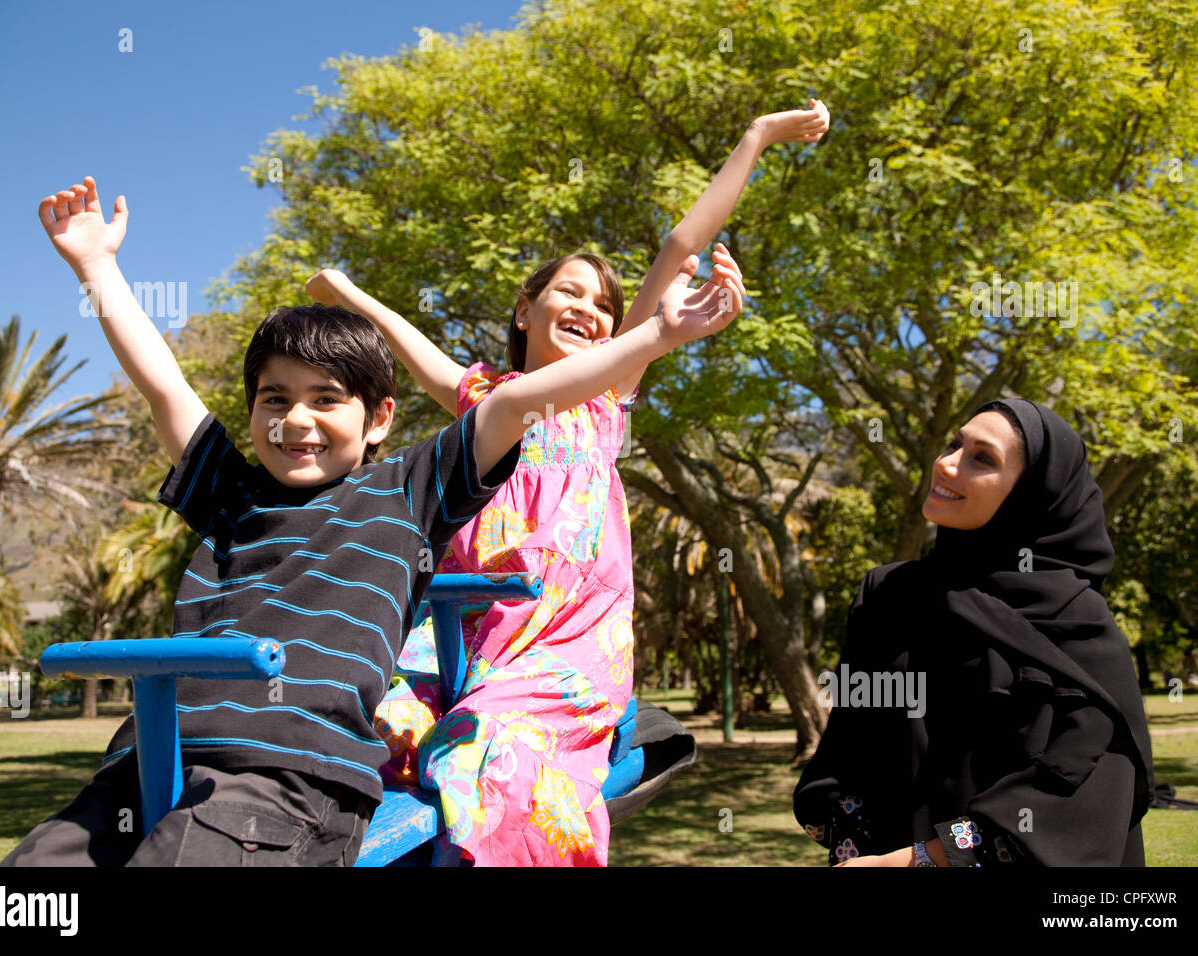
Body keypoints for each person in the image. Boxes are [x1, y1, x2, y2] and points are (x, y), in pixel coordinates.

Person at [1, 174, 739, 866]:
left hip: (281, 774)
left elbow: (512, 406)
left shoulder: (406, 492)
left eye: (327, 400)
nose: (298, 422)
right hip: (146, 761)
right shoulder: (231, 494)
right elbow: (162, 383)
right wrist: (95, 266)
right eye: (274, 399)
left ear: (381, 417)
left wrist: (656, 338)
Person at [307, 99, 831, 865]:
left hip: (563, 637)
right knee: (375, 734)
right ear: (525, 308)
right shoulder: (482, 394)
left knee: (495, 756)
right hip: (457, 627)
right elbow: (406, 340)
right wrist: (349, 294)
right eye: (570, 292)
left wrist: (757, 136)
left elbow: (683, 243)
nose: (590, 308)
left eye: (606, 305)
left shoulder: (606, 391)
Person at [793, 399, 1155, 866]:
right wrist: (854, 847)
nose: (946, 463)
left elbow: (1067, 797)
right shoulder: (888, 595)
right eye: (954, 444)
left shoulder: (1077, 627)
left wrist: (917, 860)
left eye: (981, 459)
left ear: (1029, 493)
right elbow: (848, 750)